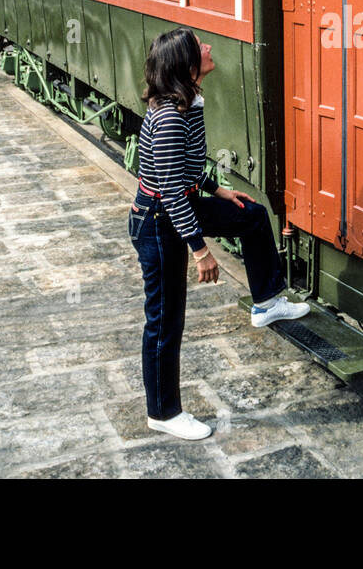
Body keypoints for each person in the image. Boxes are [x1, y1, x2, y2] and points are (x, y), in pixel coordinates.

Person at [127, 26, 309, 440]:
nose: (209, 47)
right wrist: (200, 250)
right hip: (160, 222)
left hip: (177, 205)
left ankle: (266, 301)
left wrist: (218, 189)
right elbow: (171, 191)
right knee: (164, 320)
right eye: (199, 46)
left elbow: (185, 171)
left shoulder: (186, 101)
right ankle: (163, 412)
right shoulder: (171, 116)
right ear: (189, 66)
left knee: (251, 215)